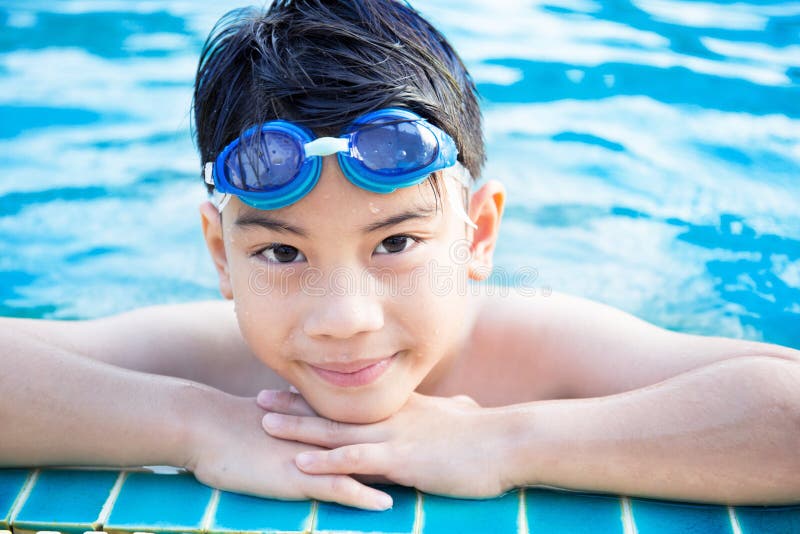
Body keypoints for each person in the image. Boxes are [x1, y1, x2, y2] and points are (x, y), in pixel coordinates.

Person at [2, 0, 799, 512]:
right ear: (221, 255)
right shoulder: (214, 363)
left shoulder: (540, 347)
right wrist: (194, 426)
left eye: (396, 242)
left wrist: (506, 441)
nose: (344, 318)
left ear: (477, 237)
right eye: (281, 252)